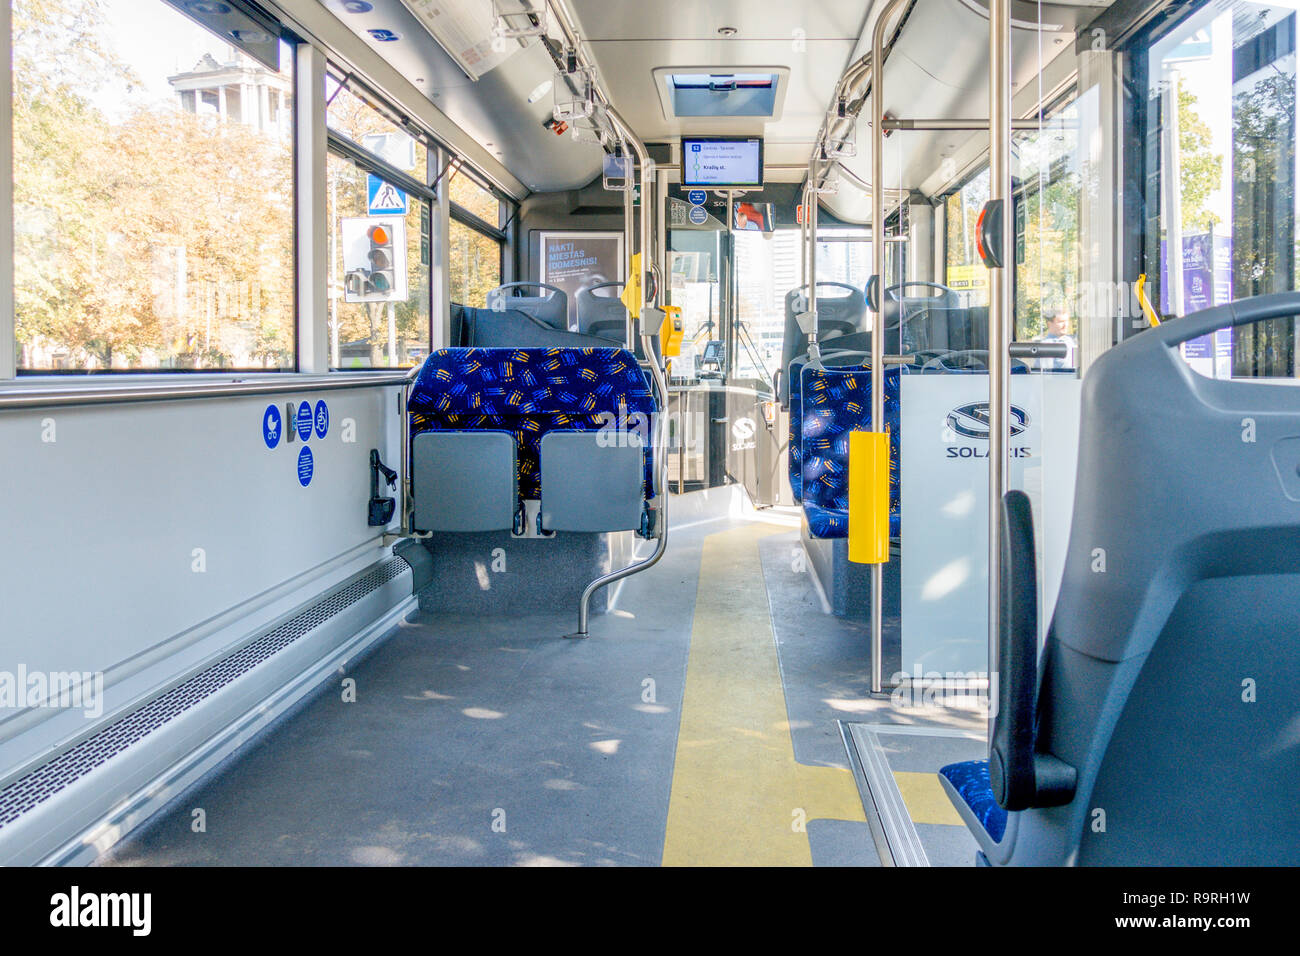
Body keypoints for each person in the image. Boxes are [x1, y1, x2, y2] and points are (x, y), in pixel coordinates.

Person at [1037, 306, 1077, 370]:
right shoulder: (1046, 345)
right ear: (1049, 324)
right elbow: (1046, 376)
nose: (1065, 325)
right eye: (1061, 322)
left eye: (1066, 321)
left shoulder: (1070, 341)